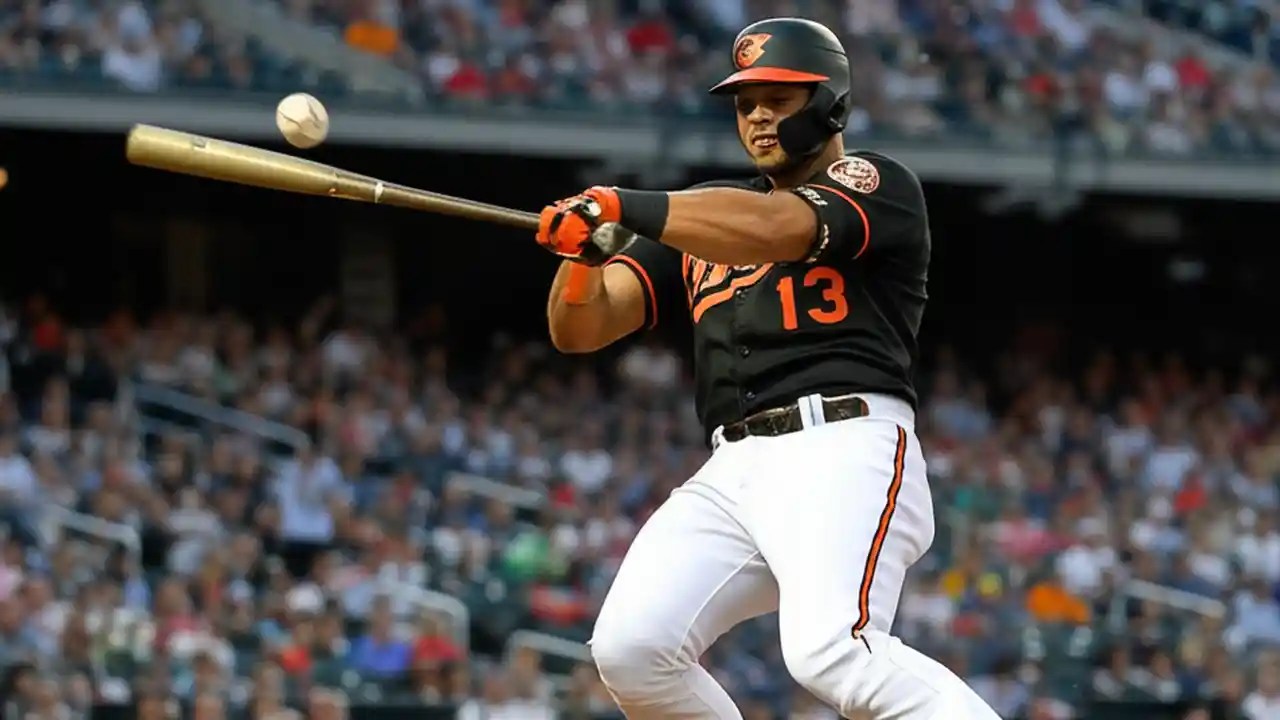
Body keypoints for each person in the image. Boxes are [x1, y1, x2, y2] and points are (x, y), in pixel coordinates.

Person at [534, 17, 1001, 720]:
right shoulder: (705, 220)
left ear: (829, 102)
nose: (756, 117)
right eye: (746, 103)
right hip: (733, 467)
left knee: (830, 651)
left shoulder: (873, 181)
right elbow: (584, 327)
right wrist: (582, 257)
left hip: (844, 443)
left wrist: (625, 205)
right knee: (632, 648)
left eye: (777, 100)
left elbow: (778, 228)